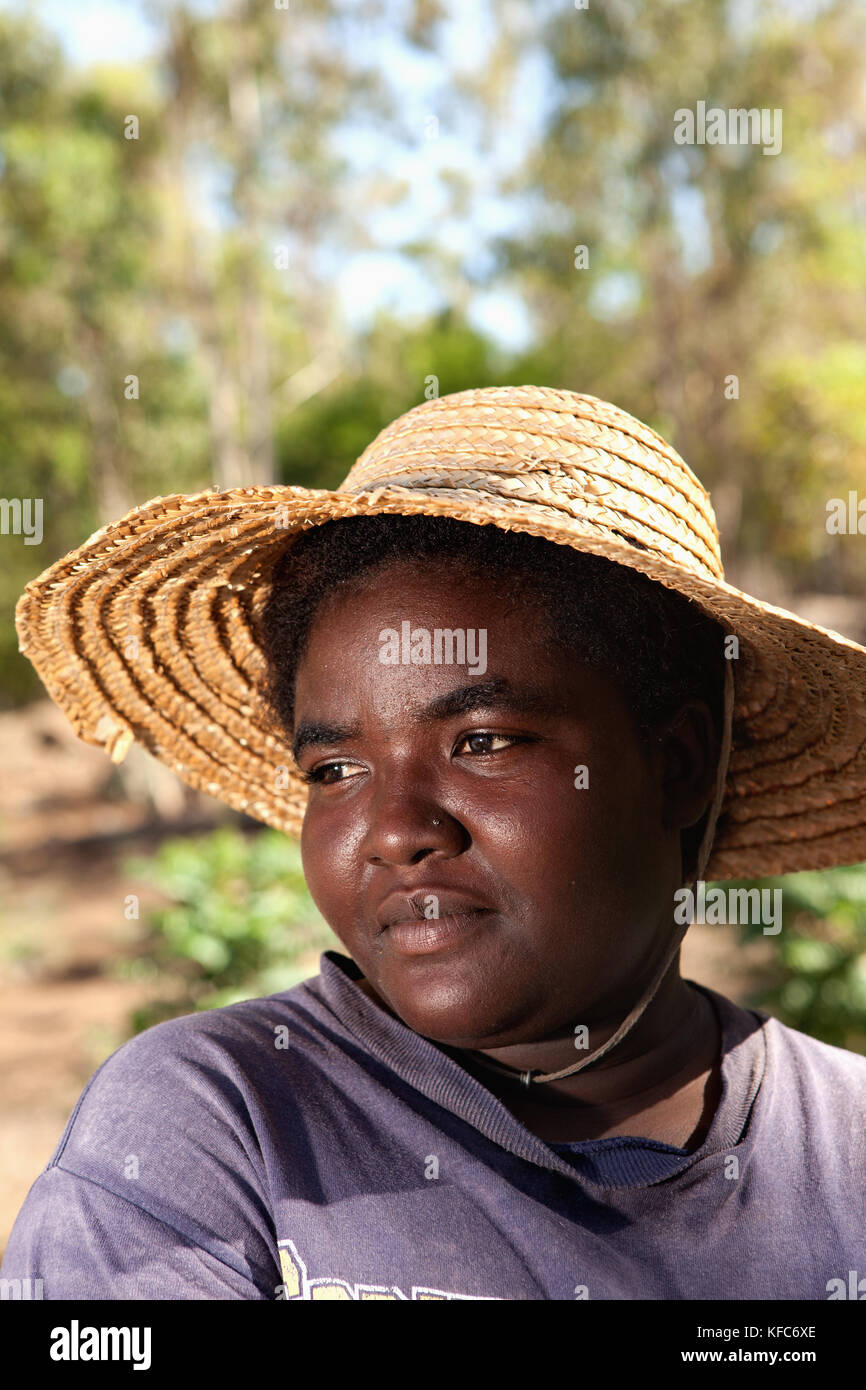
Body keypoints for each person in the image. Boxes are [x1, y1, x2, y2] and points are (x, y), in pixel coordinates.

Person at [3, 384, 866, 1300]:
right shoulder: (217, 1129)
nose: (395, 832)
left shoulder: (842, 1154)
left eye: (483, 742)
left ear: (679, 764)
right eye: (336, 769)